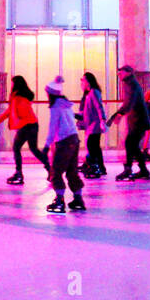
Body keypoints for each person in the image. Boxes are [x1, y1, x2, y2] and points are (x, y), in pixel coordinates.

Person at [0, 76, 50, 184]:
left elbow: (20, 113)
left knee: (17, 147)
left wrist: (17, 124)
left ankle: (19, 173)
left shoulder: (18, 97)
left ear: (16, 84)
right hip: (32, 124)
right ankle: (49, 169)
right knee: (33, 149)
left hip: (27, 126)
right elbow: (11, 111)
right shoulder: (20, 97)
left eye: (13, 83)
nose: (11, 86)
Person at [44, 76, 86, 214]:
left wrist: (46, 145)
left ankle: (59, 201)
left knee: (56, 172)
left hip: (64, 142)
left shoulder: (56, 107)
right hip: (74, 140)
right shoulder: (66, 104)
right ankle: (78, 199)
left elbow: (53, 126)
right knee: (72, 171)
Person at [108, 64, 150, 181]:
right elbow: (128, 103)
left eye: (121, 72)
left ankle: (129, 169)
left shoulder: (131, 85)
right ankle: (143, 170)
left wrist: (118, 115)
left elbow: (129, 103)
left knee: (130, 143)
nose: (119, 74)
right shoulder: (130, 84)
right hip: (137, 120)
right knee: (133, 145)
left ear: (128, 72)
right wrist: (117, 115)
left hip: (139, 121)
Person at [77, 72, 108, 177]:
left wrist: (102, 119)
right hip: (91, 125)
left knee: (92, 146)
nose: (82, 82)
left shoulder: (94, 92)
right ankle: (99, 167)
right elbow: (86, 111)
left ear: (89, 81)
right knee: (94, 147)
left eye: (83, 80)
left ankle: (95, 167)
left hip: (95, 125)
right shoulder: (88, 94)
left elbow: (99, 107)